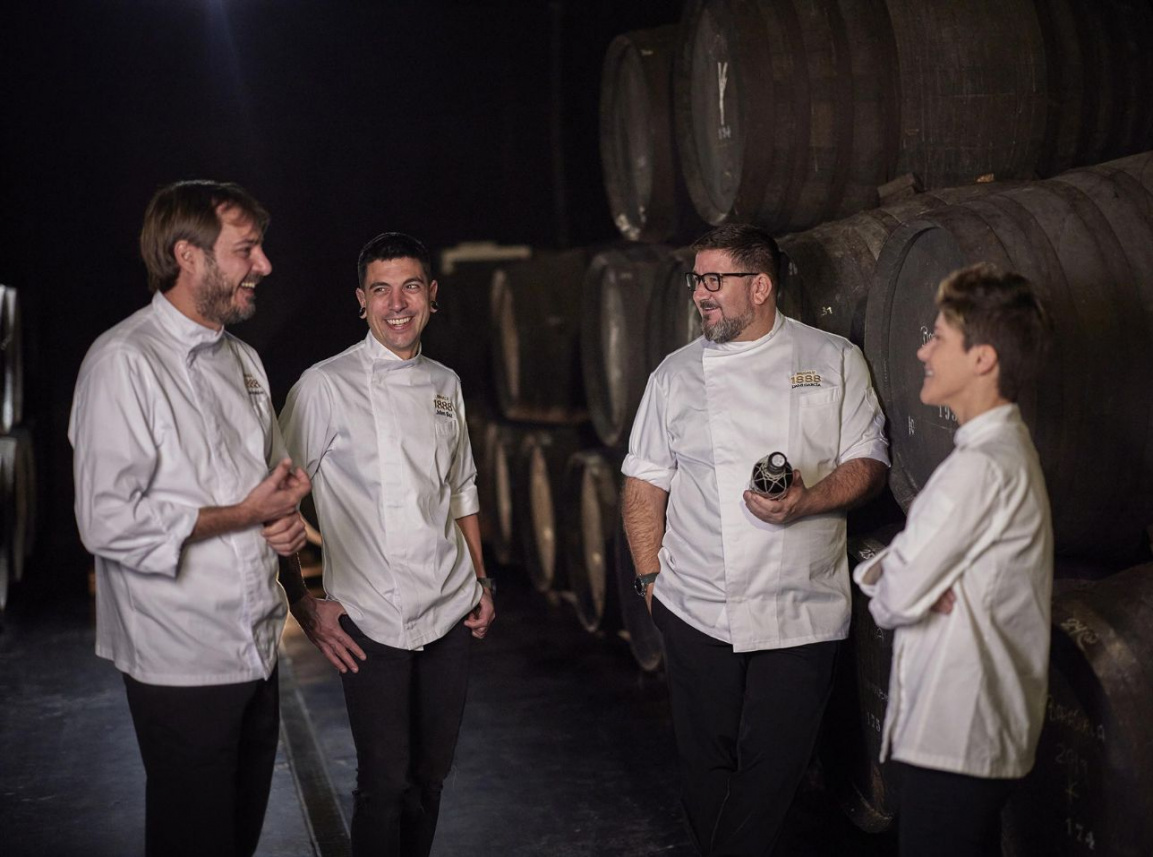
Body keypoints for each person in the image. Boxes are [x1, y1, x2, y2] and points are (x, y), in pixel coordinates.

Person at [622, 223, 890, 856]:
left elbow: (870, 460)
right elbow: (643, 484)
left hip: (801, 606)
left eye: (715, 280)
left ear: (761, 286)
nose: (700, 294)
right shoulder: (674, 375)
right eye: (697, 280)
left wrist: (810, 499)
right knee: (703, 767)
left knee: (774, 768)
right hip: (696, 604)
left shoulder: (832, 359)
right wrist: (650, 581)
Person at [69, 180, 311, 857]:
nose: (262, 266)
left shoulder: (244, 360)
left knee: (234, 840)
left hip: (255, 648)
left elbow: (271, 488)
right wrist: (245, 512)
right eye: (245, 250)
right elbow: (106, 520)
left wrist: (282, 521)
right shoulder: (124, 361)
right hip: (179, 657)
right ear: (188, 256)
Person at [277, 231, 495, 857]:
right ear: (361, 301)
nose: (397, 303)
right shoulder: (324, 385)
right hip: (371, 618)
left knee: (430, 780)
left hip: (450, 610)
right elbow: (280, 497)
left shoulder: (444, 383)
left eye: (410, 287)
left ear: (432, 295)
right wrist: (304, 602)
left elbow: (461, 488)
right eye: (381, 289)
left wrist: (480, 580)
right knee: (383, 784)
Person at [853, 264, 1053, 857]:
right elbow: (903, 581)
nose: (921, 350)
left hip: (955, 737)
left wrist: (902, 578)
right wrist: (908, 573)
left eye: (938, 336)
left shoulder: (977, 470)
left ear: (983, 359)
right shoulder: (1001, 453)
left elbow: (889, 604)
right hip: (969, 737)